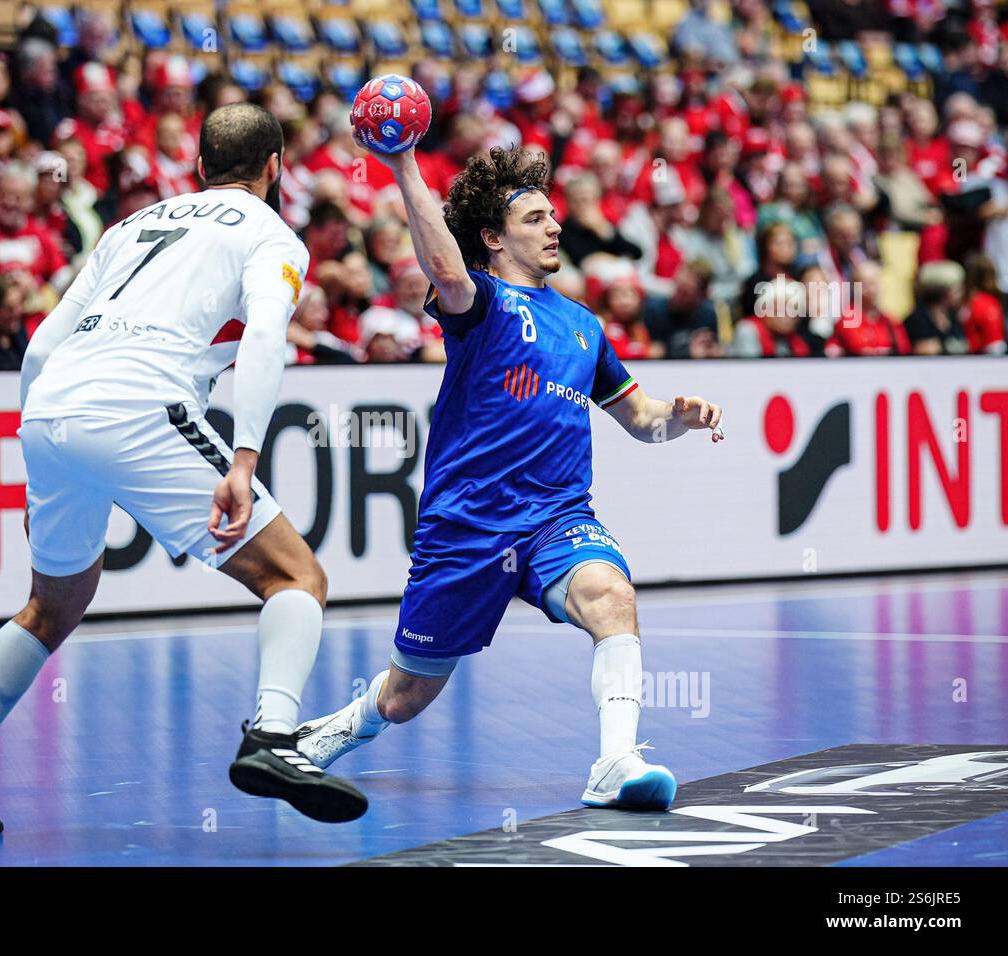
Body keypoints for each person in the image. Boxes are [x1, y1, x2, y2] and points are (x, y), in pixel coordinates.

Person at [0, 103, 368, 839]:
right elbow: (264, 345)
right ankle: (274, 737)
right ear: (276, 167)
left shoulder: (132, 225)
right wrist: (243, 457)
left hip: (52, 409)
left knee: (51, 607)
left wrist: (38, 459)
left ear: (199, 168)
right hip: (141, 403)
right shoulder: (268, 231)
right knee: (295, 577)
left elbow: (41, 345)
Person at [294, 143, 724, 812]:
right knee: (407, 696)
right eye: (534, 219)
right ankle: (343, 727)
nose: (555, 227)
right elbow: (443, 265)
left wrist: (680, 417)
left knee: (612, 596)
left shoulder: (584, 326)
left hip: (557, 514)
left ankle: (615, 762)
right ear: (493, 239)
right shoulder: (481, 301)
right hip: (468, 523)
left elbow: (640, 418)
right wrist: (405, 160)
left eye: (554, 216)